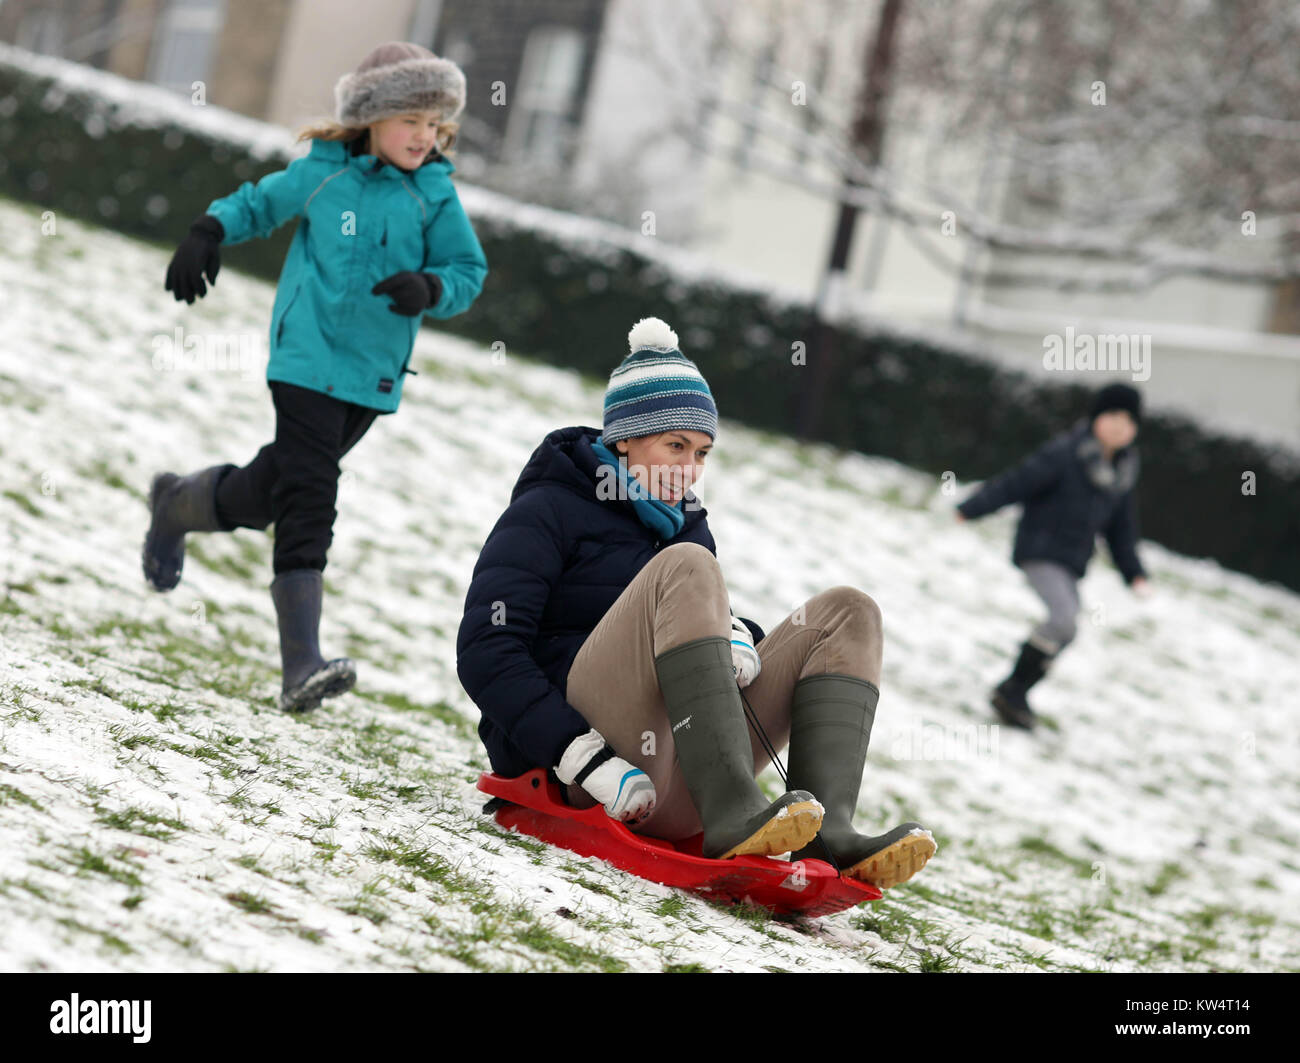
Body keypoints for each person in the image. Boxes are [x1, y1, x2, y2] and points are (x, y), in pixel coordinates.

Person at [456, 318, 936, 888]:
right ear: (626, 438)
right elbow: (486, 649)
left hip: (680, 774)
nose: (689, 469)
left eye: (703, 453)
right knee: (686, 566)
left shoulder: (684, 527)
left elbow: (696, 623)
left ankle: (828, 834)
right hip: (590, 764)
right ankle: (733, 808)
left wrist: (740, 636)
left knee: (848, 612)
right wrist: (580, 756)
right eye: (675, 445)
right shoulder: (549, 510)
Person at [143, 42, 488, 712]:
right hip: (304, 362)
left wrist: (431, 285)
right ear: (372, 117)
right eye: (411, 119)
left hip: (370, 380)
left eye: (435, 124)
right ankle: (301, 661)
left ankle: (179, 503)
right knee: (310, 498)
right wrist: (207, 230)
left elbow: (468, 272)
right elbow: (259, 204)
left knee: (271, 491)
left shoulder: (434, 196)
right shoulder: (325, 173)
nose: (425, 135)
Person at [956, 383, 1150, 730]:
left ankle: (1014, 691)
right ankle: (1013, 691)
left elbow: (1122, 531)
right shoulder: (1066, 453)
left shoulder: (1120, 476)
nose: (1120, 426)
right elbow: (1018, 482)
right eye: (1113, 416)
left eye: (1128, 421)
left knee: (1067, 630)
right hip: (1040, 550)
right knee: (1063, 620)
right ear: (1096, 418)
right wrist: (972, 508)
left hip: (1071, 563)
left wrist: (1134, 573)